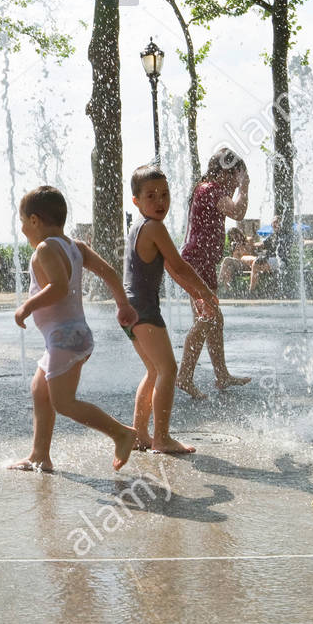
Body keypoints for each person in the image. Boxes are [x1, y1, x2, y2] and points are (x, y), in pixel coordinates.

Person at [9, 185, 138, 473]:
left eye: (22, 221)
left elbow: (58, 288)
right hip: (71, 335)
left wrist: (27, 307)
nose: (21, 229)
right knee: (40, 390)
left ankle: (121, 433)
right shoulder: (75, 247)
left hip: (65, 338)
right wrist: (123, 305)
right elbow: (108, 271)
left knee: (64, 403)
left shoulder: (45, 248)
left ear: (34, 221)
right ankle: (39, 455)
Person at [124, 165, 221, 454]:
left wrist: (196, 295)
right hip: (144, 308)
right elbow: (179, 265)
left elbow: (170, 268)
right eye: (151, 196)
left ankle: (141, 434)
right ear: (136, 201)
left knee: (154, 370)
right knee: (168, 368)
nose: (160, 201)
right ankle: (162, 437)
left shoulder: (137, 227)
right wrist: (206, 294)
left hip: (130, 309)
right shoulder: (154, 227)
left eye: (165, 194)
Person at [178, 148, 252, 398]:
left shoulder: (208, 188)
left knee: (213, 321)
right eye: (234, 177)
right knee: (208, 318)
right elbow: (238, 212)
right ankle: (184, 376)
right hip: (196, 264)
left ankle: (221, 375)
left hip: (203, 265)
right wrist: (245, 187)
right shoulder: (210, 189)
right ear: (222, 172)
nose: (235, 183)